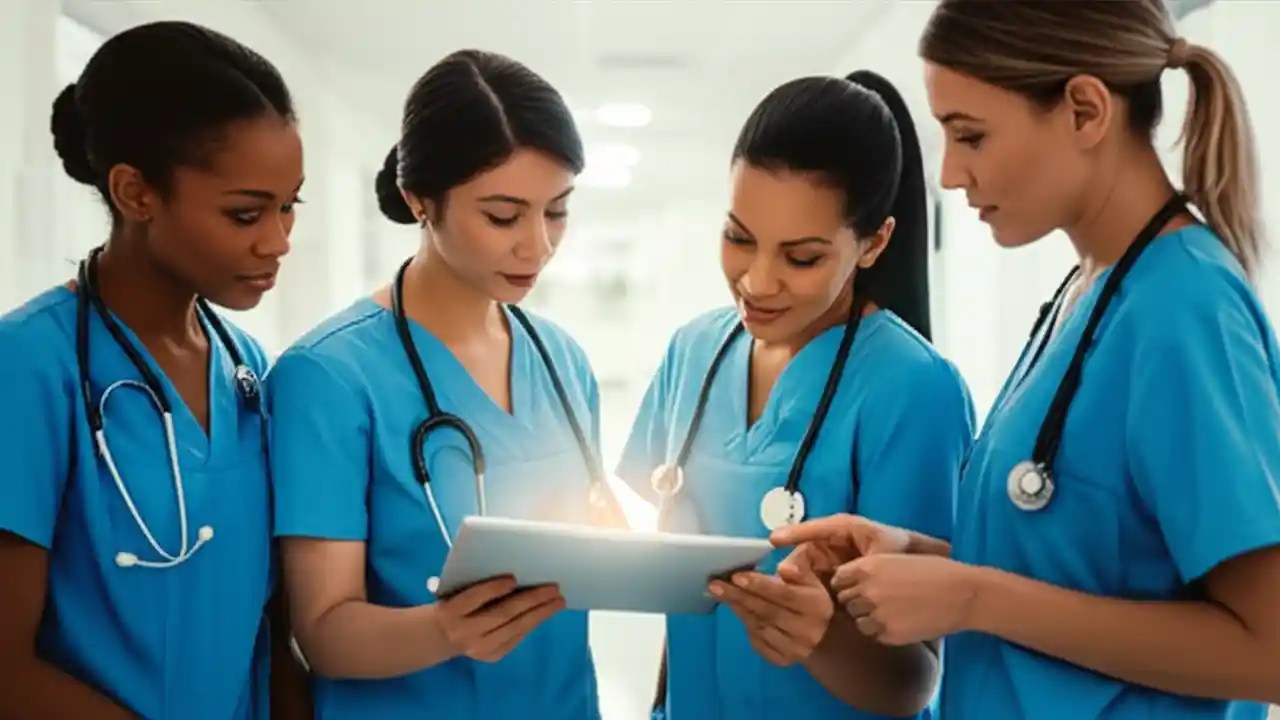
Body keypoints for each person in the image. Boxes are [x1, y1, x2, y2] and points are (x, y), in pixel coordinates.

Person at [772, 2, 1280, 719]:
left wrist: (976, 598)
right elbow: (1085, 569)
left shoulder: (1185, 308)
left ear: (1083, 110)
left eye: (970, 135)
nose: (949, 175)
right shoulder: (1088, 294)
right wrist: (916, 556)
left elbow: (1269, 650)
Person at [268, 49, 621, 719]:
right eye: (503, 216)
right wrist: (444, 631)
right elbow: (323, 633)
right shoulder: (329, 378)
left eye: (557, 211)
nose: (538, 246)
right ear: (418, 200)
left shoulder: (563, 361)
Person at [617, 70, 975, 720]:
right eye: (738, 238)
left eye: (801, 258)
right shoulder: (692, 353)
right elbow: (684, 586)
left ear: (874, 244)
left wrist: (822, 637)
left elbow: (916, 680)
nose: (756, 281)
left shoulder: (914, 389)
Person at [0, 21, 308, 720]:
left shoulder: (248, 372)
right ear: (136, 193)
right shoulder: (27, 367)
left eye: (290, 205)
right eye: (246, 213)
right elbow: (4, 671)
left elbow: (272, 632)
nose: (279, 240)